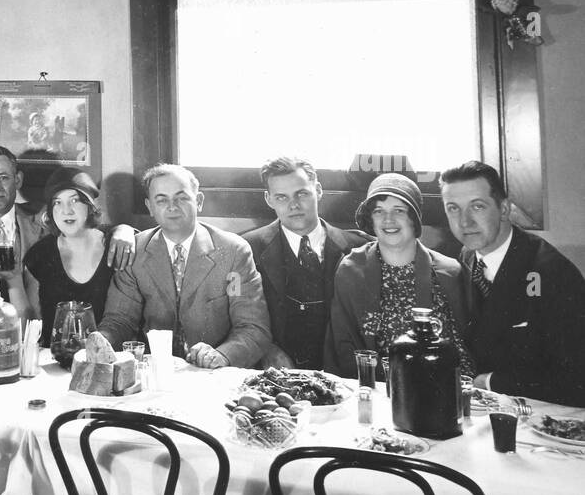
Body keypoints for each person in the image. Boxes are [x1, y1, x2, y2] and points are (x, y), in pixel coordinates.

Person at [98, 164, 272, 368]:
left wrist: (222, 355)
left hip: (213, 373)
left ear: (198, 201)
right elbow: (119, 321)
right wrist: (99, 341)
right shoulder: (134, 251)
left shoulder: (233, 251)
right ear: (150, 207)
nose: (172, 206)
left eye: (182, 198)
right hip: (153, 372)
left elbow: (253, 327)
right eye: (161, 199)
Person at [441, 160, 585, 406]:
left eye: (477, 206)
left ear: (505, 209)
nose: (465, 222)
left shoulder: (552, 273)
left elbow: (576, 380)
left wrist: (489, 383)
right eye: (453, 208)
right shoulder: (467, 255)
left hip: (544, 416)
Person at [0, 145, 135, 309]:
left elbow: (89, 226)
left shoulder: (47, 218)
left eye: (3, 177)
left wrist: (123, 230)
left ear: (18, 180)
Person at [327, 173, 472, 377]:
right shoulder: (350, 270)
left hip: (437, 388)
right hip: (372, 390)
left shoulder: (450, 273)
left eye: (399, 210)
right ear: (370, 218)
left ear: (414, 218)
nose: (388, 220)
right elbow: (343, 347)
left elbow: (463, 352)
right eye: (379, 211)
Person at [243, 156, 371, 370]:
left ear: (318, 190)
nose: (294, 205)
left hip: (344, 376)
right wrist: (265, 349)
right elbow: (238, 320)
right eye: (281, 197)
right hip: (276, 379)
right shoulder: (246, 249)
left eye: (301, 193)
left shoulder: (360, 248)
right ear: (269, 199)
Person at [19, 168, 116, 345]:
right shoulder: (39, 255)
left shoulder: (115, 244)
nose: (66, 211)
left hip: (110, 357)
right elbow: (34, 327)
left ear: (90, 205)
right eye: (57, 203)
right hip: (56, 360)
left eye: (75, 201)